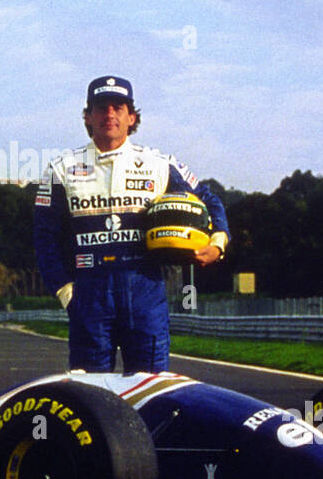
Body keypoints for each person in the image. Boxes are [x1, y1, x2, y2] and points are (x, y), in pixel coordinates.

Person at [33, 75, 229, 374]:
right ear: (88, 116)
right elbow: (44, 238)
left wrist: (217, 244)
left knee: (150, 390)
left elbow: (209, 200)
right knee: (91, 395)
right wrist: (65, 291)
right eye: (100, 107)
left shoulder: (159, 163)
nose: (109, 114)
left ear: (132, 117)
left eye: (118, 107)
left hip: (144, 288)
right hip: (89, 291)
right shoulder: (61, 168)